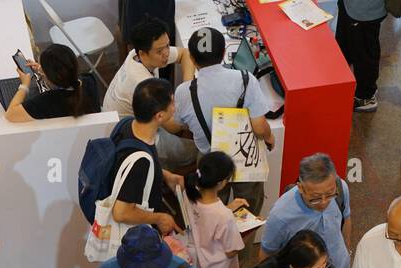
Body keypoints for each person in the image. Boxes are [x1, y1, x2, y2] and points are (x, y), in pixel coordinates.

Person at [172, 27, 276, 210]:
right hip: (245, 159)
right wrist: (269, 138)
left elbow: (181, 124)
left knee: (212, 211)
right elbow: (259, 127)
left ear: (193, 59)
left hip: (209, 161)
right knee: (248, 212)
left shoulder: (183, 92)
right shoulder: (246, 79)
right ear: (223, 53)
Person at [102, 15, 196, 170]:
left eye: (167, 46)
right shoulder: (143, 83)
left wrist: (187, 88)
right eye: (160, 50)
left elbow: (185, 54)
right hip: (131, 136)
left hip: (133, 120)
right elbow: (172, 126)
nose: (166, 53)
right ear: (143, 53)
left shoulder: (137, 56)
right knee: (195, 150)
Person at [258, 153, 352, 268]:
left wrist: (346, 252)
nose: (323, 203)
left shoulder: (341, 188)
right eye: (315, 197)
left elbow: (346, 219)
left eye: (329, 194)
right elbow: (267, 255)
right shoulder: (280, 216)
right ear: (300, 187)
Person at [107, 78, 186, 235]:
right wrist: (159, 219)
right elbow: (121, 212)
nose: (174, 107)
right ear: (159, 116)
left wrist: (164, 175)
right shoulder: (140, 161)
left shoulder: (127, 124)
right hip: (139, 233)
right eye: (172, 103)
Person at [4, 44, 98, 122]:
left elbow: (10, 114)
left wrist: (24, 85)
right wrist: (43, 69)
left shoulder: (47, 101)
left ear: (50, 77)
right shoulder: (89, 80)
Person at [336, 0, 387, 112]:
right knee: (346, 44)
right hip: (351, 7)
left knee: (363, 53)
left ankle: (366, 97)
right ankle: (341, 83)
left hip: (363, 11)